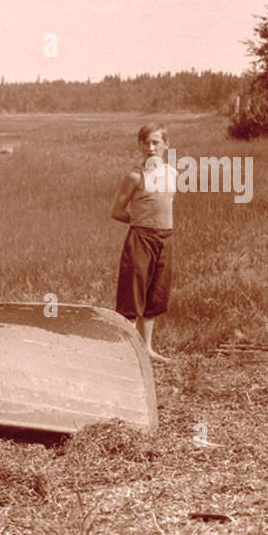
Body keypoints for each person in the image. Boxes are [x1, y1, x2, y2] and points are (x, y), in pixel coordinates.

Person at [110, 123, 175, 363]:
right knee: (132, 295)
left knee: (157, 294)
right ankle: (128, 354)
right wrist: (139, 221)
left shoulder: (172, 173)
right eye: (146, 143)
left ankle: (146, 349)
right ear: (139, 146)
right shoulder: (135, 176)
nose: (151, 148)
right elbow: (116, 211)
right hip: (141, 238)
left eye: (156, 142)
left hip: (165, 237)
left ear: (166, 145)